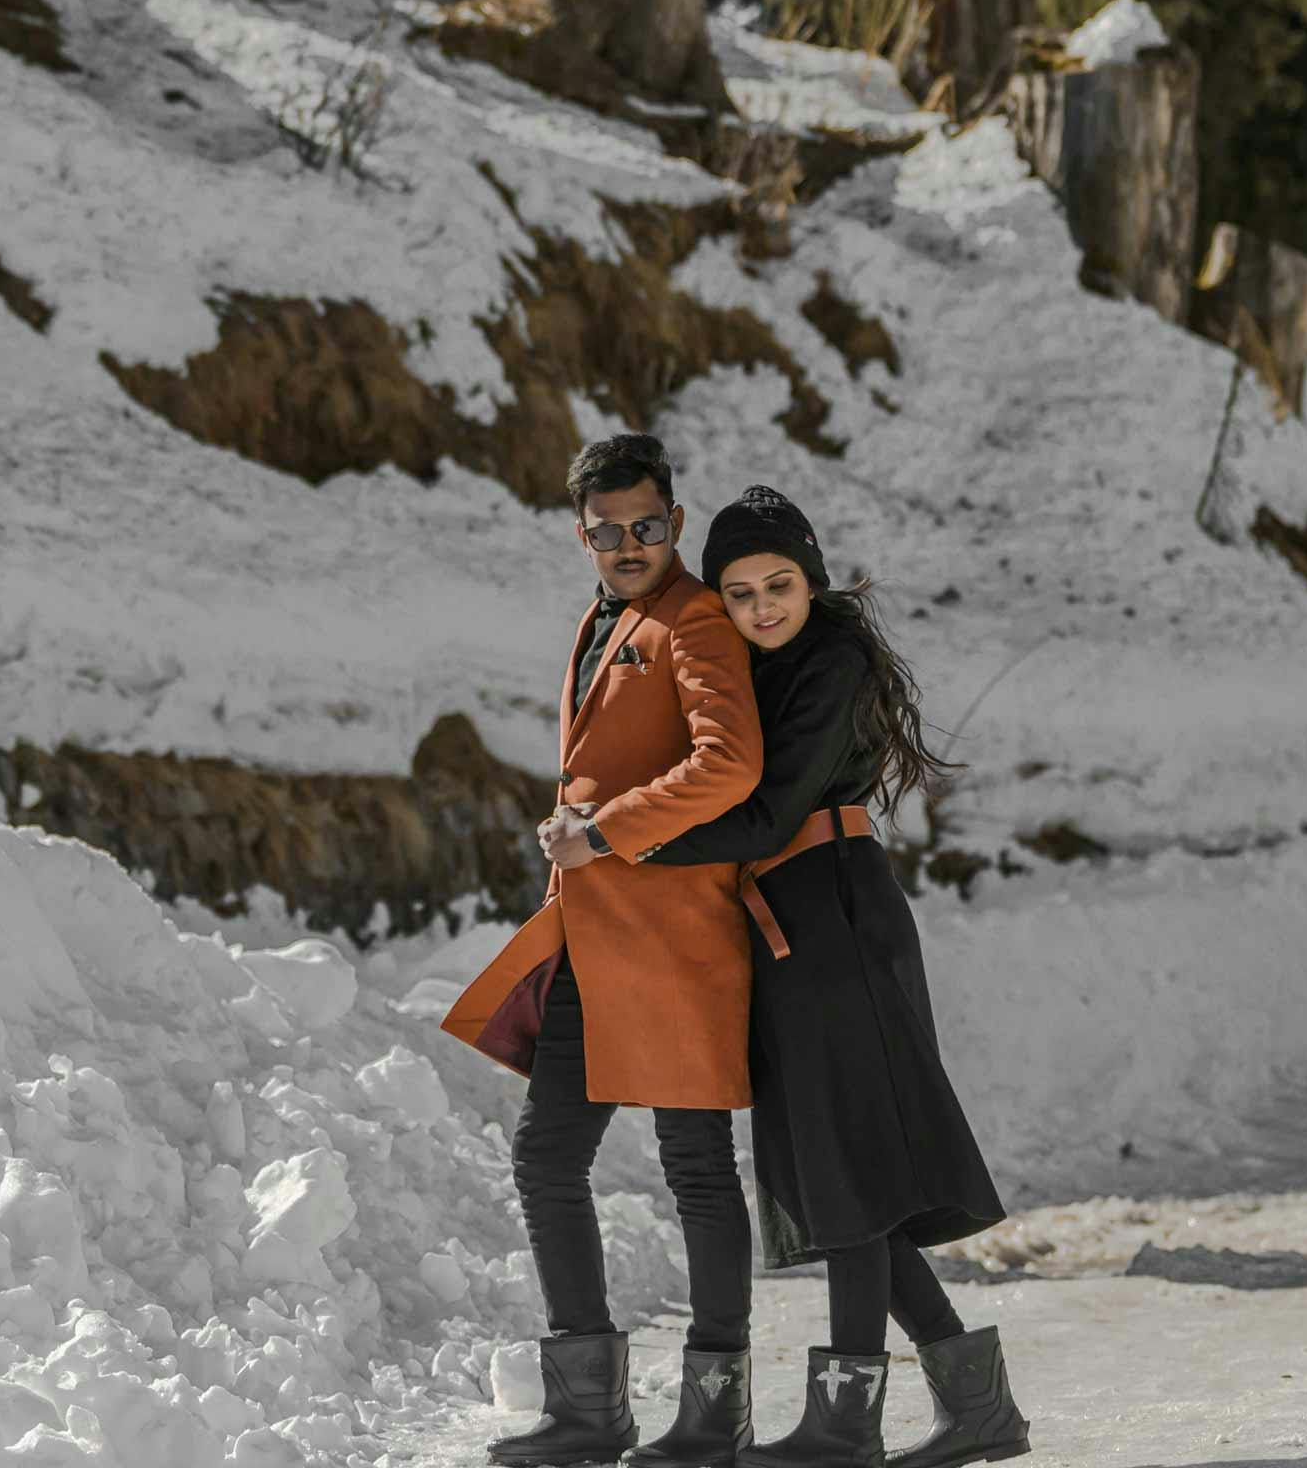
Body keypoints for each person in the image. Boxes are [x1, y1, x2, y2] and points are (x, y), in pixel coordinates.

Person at [637, 486, 1027, 1468]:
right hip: (793, 928)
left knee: (847, 1179)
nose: (764, 605)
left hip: (838, 917)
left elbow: (767, 817)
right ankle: (974, 1405)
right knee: (843, 1184)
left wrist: (630, 841)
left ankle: (843, 1427)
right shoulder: (757, 671)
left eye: (780, 583)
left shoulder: (830, 661)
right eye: (740, 592)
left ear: (811, 580)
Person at [437, 433, 772, 1467]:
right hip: (592, 938)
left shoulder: (697, 619)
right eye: (608, 531)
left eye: (649, 526)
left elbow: (733, 763)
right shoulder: (605, 616)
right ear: (581, 534)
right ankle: (590, 1408)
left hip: (674, 942)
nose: (629, 545)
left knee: (698, 1170)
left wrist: (609, 829)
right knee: (546, 1157)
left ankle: (715, 1416)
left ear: (676, 519)